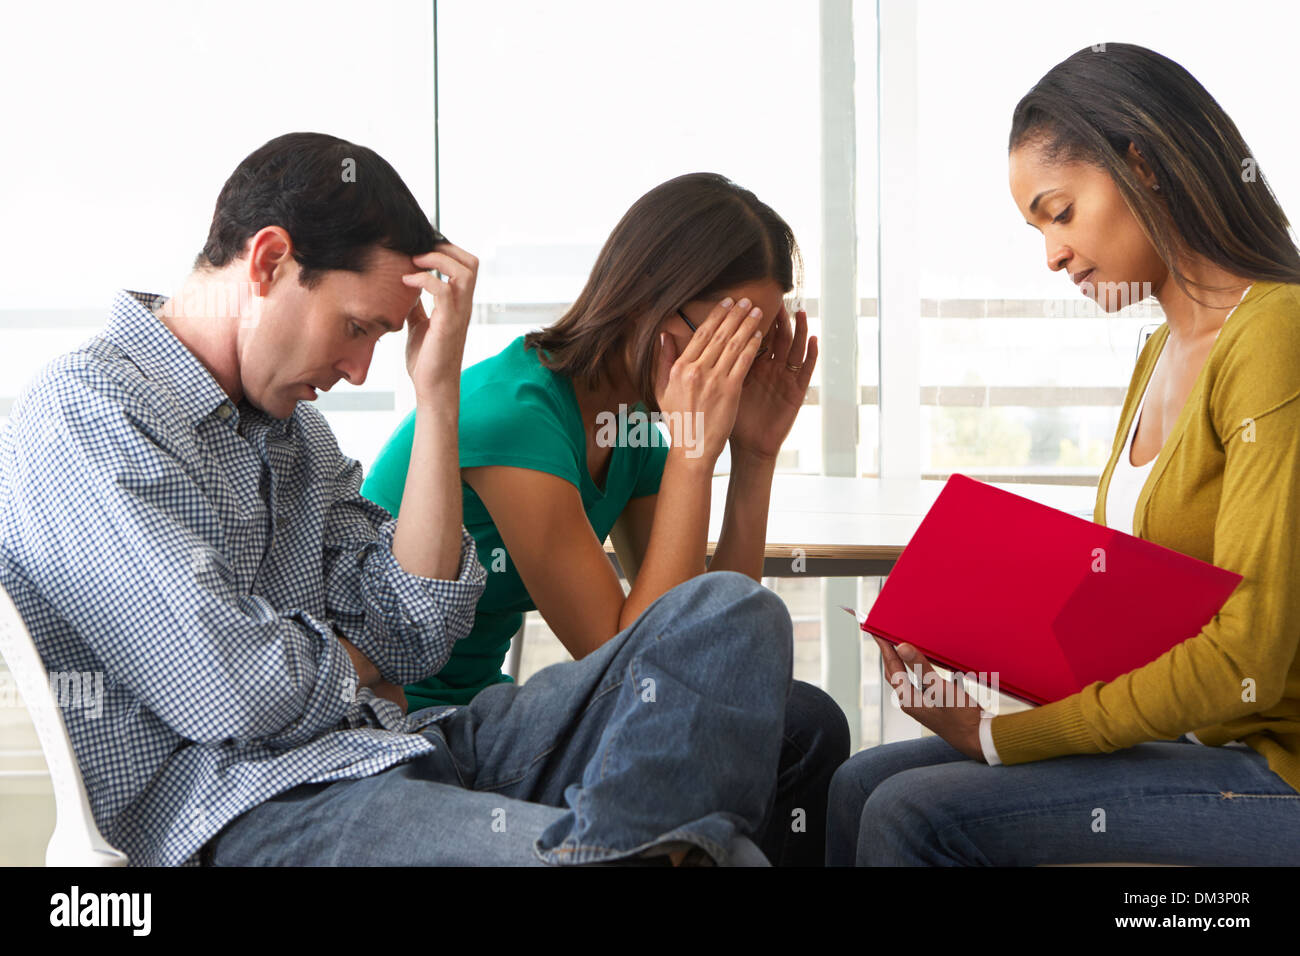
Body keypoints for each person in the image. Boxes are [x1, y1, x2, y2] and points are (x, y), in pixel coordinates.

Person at [0, 132, 798, 867]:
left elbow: (413, 632)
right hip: (251, 807)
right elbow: (229, 688)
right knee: (718, 847)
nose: (357, 370)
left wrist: (438, 390)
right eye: (356, 327)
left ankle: (631, 851)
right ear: (269, 262)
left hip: (402, 746)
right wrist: (357, 661)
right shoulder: (89, 412)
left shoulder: (294, 434)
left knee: (734, 617)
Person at [827, 42, 1300, 866]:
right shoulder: (1159, 351)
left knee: (912, 813)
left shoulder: (1276, 336)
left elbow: (1245, 654)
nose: (1052, 255)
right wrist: (972, 648)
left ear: (1144, 164)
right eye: (1038, 227)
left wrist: (1003, 737)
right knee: (858, 784)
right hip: (1195, 739)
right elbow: (1142, 616)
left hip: (1272, 768)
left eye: (1060, 211)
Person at [362, 172, 851, 866]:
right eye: (723, 341)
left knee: (803, 723)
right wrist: (691, 453)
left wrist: (754, 456)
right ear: (650, 304)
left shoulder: (636, 421)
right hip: (417, 723)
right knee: (795, 732)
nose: (734, 373)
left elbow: (709, 633)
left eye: (754, 346)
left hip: (493, 710)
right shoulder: (517, 417)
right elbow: (628, 655)